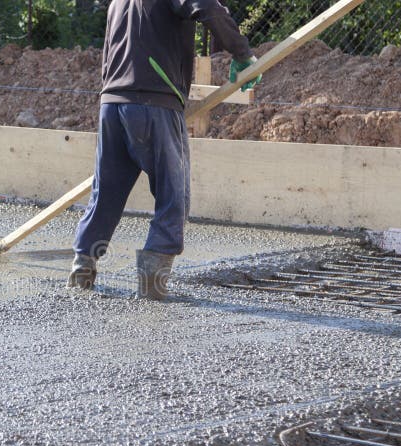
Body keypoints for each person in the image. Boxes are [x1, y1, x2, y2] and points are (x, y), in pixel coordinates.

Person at [68, 0, 261, 300]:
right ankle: (152, 285)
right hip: (154, 104)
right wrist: (242, 53)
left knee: (106, 192)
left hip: (112, 104)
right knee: (173, 194)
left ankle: (83, 265)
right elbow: (207, 6)